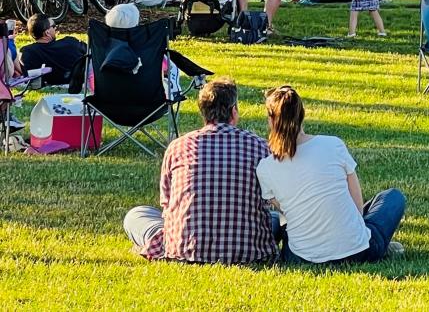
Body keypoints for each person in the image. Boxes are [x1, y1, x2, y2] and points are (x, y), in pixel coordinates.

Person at [123, 77, 276, 263]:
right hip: (249, 250)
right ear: (233, 111)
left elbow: (167, 204)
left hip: (185, 249)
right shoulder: (259, 146)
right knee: (275, 219)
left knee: (136, 216)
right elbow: (269, 198)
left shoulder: (178, 147)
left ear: (203, 113)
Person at [256, 85, 405, 264]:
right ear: (302, 114)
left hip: (301, 256)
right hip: (357, 251)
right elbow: (356, 204)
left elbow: (285, 212)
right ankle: (381, 245)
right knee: (392, 198)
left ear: (271, 121)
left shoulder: (266, 167)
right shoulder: (333, 145)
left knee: (277, 219)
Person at [17, 15, 85, 83]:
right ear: (47, 33)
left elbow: (27, 75)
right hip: (76, 81)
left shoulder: (26, 52)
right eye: (54, 26)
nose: (56, 28)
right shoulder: (71, 43)